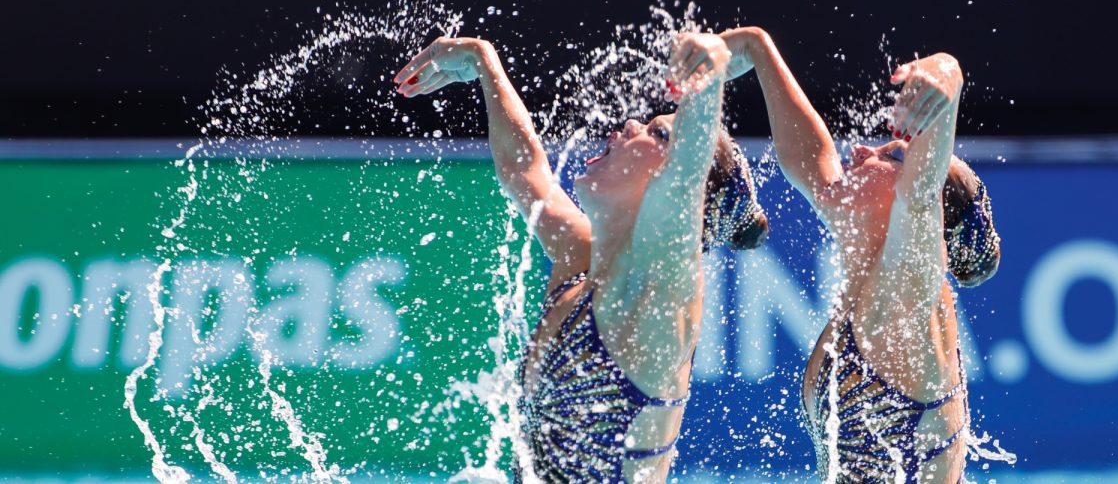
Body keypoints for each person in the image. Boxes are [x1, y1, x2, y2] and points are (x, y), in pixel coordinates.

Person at [394, 32, 768, 483]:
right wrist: (484, 62)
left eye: (659, 133)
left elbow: (688, 175)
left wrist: (707, 83)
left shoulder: (658, 295)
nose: (630, 124)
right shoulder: (580, 260)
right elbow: (523, 169)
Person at [720, 26, 1001, 483]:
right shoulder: (875, 281)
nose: (864, 148)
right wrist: (757, 49)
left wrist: (946, 75)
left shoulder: (909, 296)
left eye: (891, 155)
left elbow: (922, 190)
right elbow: (811, 160)